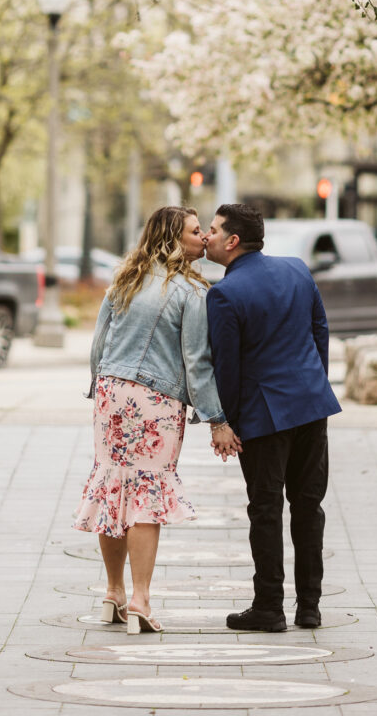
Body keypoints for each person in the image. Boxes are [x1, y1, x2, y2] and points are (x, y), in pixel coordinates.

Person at [75, 206, 240, 635]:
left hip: (111, 393)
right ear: (172, 239)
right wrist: (217, 418)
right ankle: (141, 601)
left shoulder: (124, 279)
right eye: (194, 231)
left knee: (112, 484)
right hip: (157, 400)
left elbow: (98, 346)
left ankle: (112, 591)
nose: (204, 237)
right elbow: (197, 363)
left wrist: (103, 389)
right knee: (146, 495)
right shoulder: (190, 291)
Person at [204, 203, 341, 632]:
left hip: (264, 418)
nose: (205, 237)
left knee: (265, 510)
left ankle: (268, 607)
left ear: (232, 241)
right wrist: (312, 382)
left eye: (211, 230)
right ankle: (309, 606)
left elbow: (226, 367)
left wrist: (223, 421)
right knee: (308, 507)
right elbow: (320, 330)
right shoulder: (297, 270)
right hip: (312, 406)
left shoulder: (224, 294)